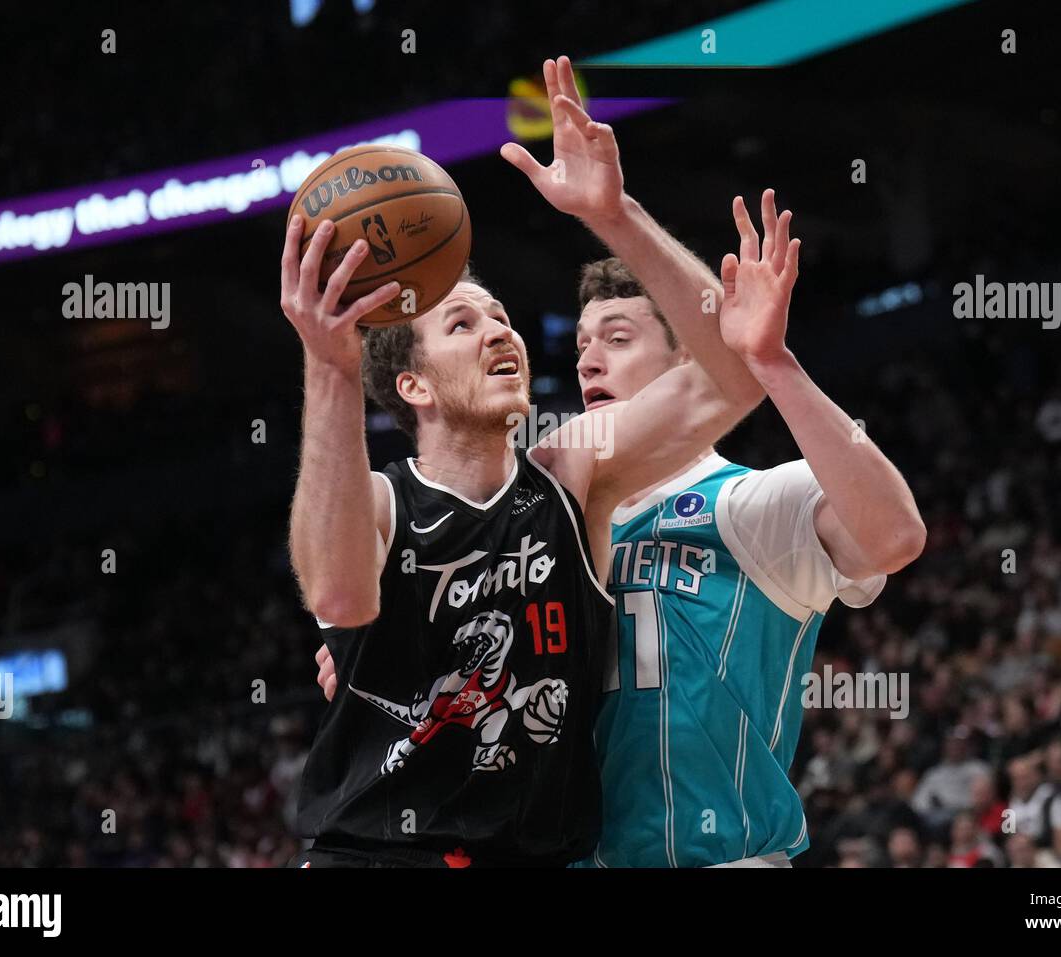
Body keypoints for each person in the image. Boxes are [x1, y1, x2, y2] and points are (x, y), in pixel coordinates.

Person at [315, 56, 926, 867]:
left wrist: (760, 351)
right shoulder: (528, 511)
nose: (588, 361)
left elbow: (893, 536)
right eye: (583, 342)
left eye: (620, 338)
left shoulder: (743, 505)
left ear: (683, 364)